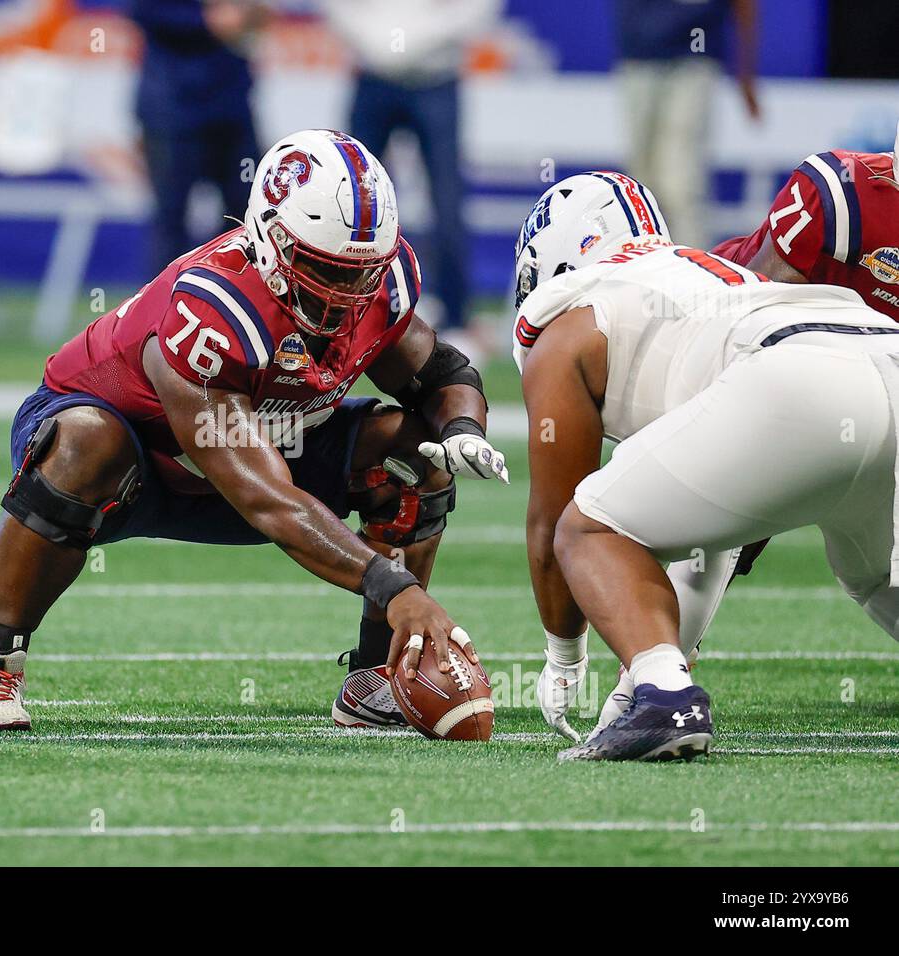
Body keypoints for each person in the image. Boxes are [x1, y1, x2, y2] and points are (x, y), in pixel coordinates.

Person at [0, 130, 508, 732]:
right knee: (88, 440)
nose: (346, 293)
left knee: (414, 459)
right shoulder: (214, 310)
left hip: (269, 445)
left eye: (361, 273)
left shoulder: (382, 283)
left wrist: (460, 429)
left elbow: (442, 372)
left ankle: (376, 679)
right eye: (325, 269)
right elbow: (264, 499)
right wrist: (397, 589)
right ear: (269, 240)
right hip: (140, 458)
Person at [517, 171, 899, 761]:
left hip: (799, 380)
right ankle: (660, 689)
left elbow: (553, 527)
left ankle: (666, 695)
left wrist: (564, 656)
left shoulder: (571, 324)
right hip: (882, 348)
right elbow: (708, 540)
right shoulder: (701, 272)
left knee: (586, 524)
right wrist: (639, 681)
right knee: (870, 572)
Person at [322, 0, 500, 338]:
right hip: (372, 76)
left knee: (447, 201)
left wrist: (408, 44)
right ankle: (339, 307)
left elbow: (477, 9)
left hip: (438, 75)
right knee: (350, 200)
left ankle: (455, 317)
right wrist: (380, 44)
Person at [129, 0, 264, 272]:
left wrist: (251, 13)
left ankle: (235, 295)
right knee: (171, 218)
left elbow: (252, 17)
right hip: (172, 107)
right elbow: (141, 10)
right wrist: (205, 19)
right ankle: (164, 309)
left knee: (249, 210)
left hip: (231, 104)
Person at [615, 0, 760, 246]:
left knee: (681, 182)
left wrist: (746, 71)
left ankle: (694, 271)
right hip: (639, 53)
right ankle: (639, 268)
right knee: (640, 184)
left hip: (693, 57)